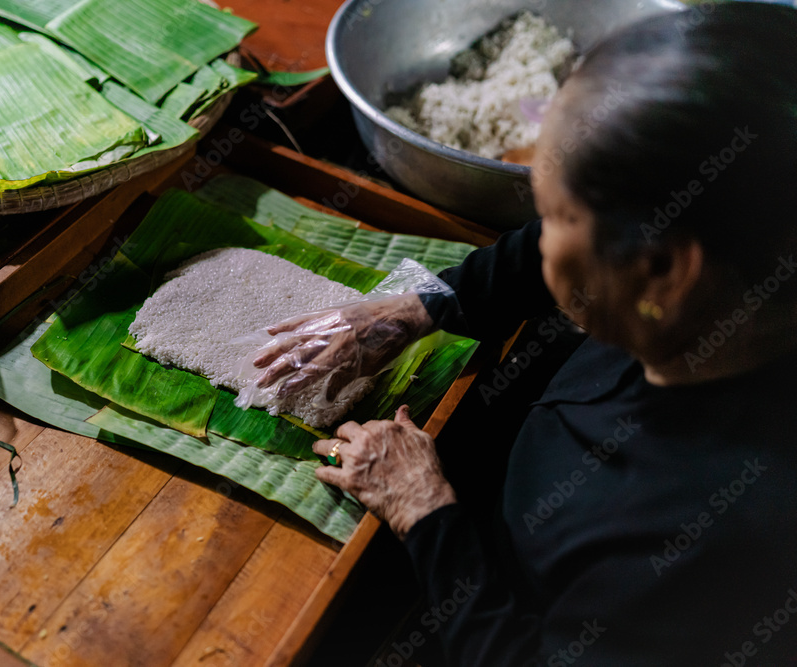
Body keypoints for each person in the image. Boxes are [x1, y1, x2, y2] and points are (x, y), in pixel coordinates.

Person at [251, 4, 797, 664]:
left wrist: (424, 512)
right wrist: (425, 306)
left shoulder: (706, 548)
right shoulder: (723, 283)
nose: (540, 234)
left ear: (662, 272)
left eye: (556, 213)